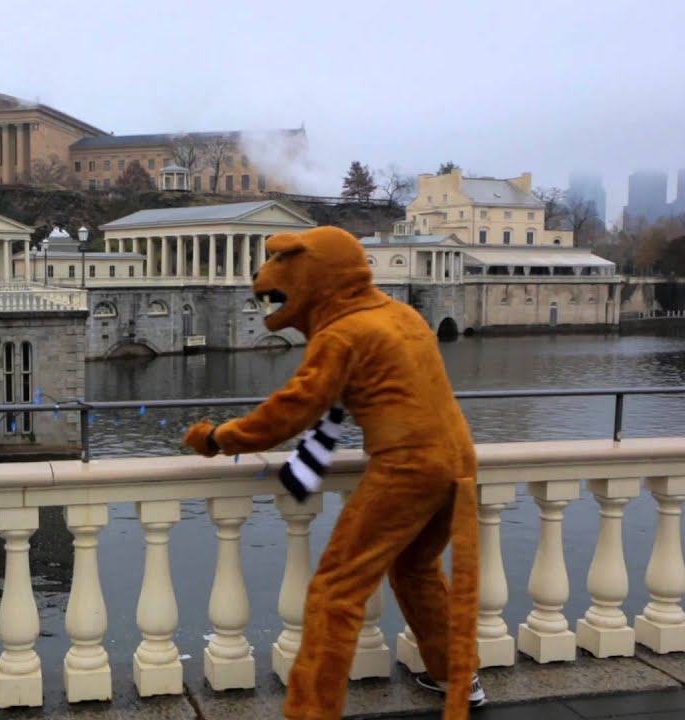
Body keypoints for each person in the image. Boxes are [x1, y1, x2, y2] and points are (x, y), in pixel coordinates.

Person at [182, 225, 482, 719]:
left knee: (334, 592)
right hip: (457, 460)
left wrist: (219, 438)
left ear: (316, 274)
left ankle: (311, 710)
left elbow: (291, 410)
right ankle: (457, 675)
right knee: (415, 568)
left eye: (282, 265)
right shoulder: (400, 313)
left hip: (409, 466)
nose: (265, 277)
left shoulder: (343, 331)